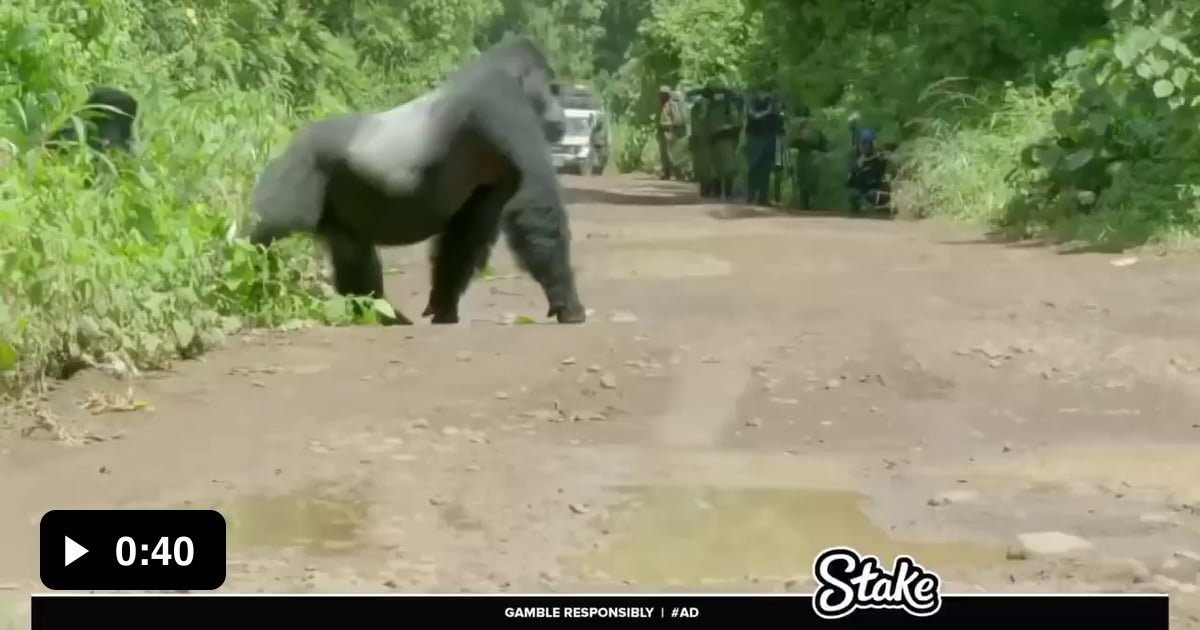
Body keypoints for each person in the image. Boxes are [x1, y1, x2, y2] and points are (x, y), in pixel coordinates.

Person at [743, 89, 783, 206]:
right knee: (754, 167)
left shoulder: (773, 103)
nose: (767, 95)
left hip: (771, 138)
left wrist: (776, 109)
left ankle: (763, 197)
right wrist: (767, 111)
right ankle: (751, 195)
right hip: (755, 139)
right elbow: (753, 116)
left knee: (766, 168)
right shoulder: (753, 103)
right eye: (765, 92)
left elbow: (780, 117)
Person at [788, 108, 829, 211]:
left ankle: (804, 203)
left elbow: (791, 141)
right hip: (813, 153)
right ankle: (810, 202)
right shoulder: (814, 124)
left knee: (802, 178)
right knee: (811, 179)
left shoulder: (796, 123)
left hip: (801, 153)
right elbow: (823, 142)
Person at [707, 87, 740, 200]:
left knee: (728, 167)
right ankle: (717, 191)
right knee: (716, 168)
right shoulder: (711, 106)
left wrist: (724, 128)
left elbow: (736, 123)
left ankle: (728, 192)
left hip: (726, 139)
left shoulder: (729, 106)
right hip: (713, 139)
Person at [847, 128, 890, 214]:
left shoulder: (879, 156)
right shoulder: (854, 155)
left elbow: (883, 171)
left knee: (879, 195)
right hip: (858, 188)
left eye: (869, 143)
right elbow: (850, 176)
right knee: (854, 195)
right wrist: (859, 164)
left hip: (874, 187)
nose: (866, 146)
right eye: (864, 143)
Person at [687, 89, 714, 197]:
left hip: (711, 139)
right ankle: (704, 188)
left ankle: (711, 188)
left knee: (711, 166)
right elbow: (692, 125)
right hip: (700, 140)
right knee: (702, 166)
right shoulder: (695, 109)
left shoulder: (714, 109)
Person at [656, 85, 686, 180]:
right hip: (664, 131)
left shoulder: (671, 104)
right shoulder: (663, 105)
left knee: (672, 154)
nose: (661, 96)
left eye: (664, 94)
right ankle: (667, 173)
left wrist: (671, 126)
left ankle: (679, 174)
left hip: (670, 131)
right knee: (664, 155)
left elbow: (677, 119)